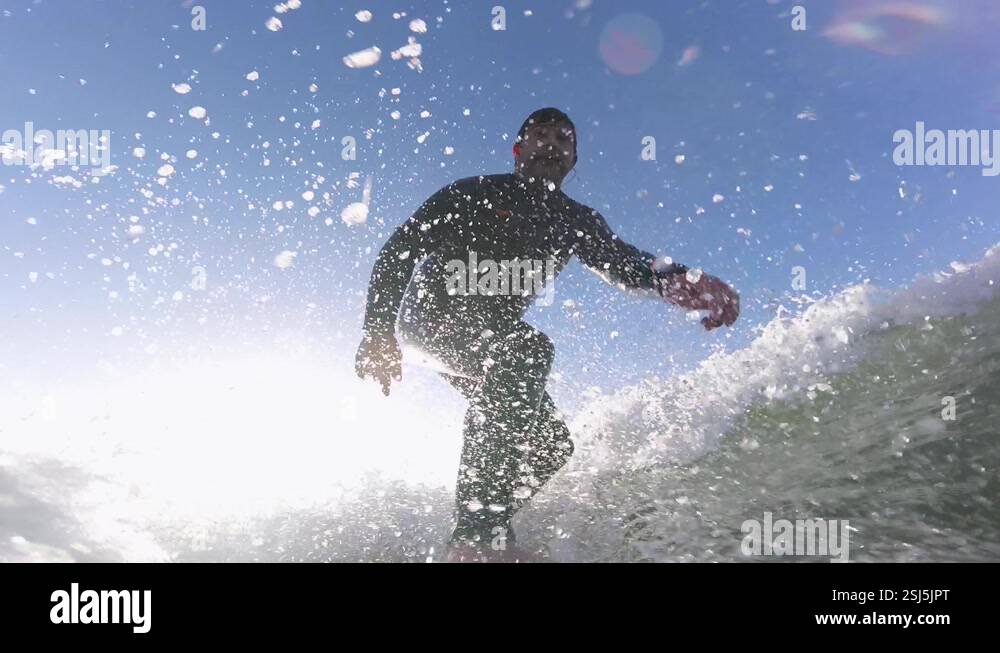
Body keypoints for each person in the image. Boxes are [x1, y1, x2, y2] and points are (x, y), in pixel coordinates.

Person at [356, 108, 739, 562]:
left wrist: (682, 279)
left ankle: (469, 525)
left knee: (551, 445)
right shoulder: (472, 193)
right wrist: (377, 333)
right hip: (433, 321)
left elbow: (625, 262)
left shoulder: (574, 219)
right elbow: (399, 252)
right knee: (527, 347)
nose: (552, 143)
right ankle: (478, 536)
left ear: (572, 162)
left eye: (564, 139)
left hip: (493, 342)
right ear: (519, 150)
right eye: (540, 135)